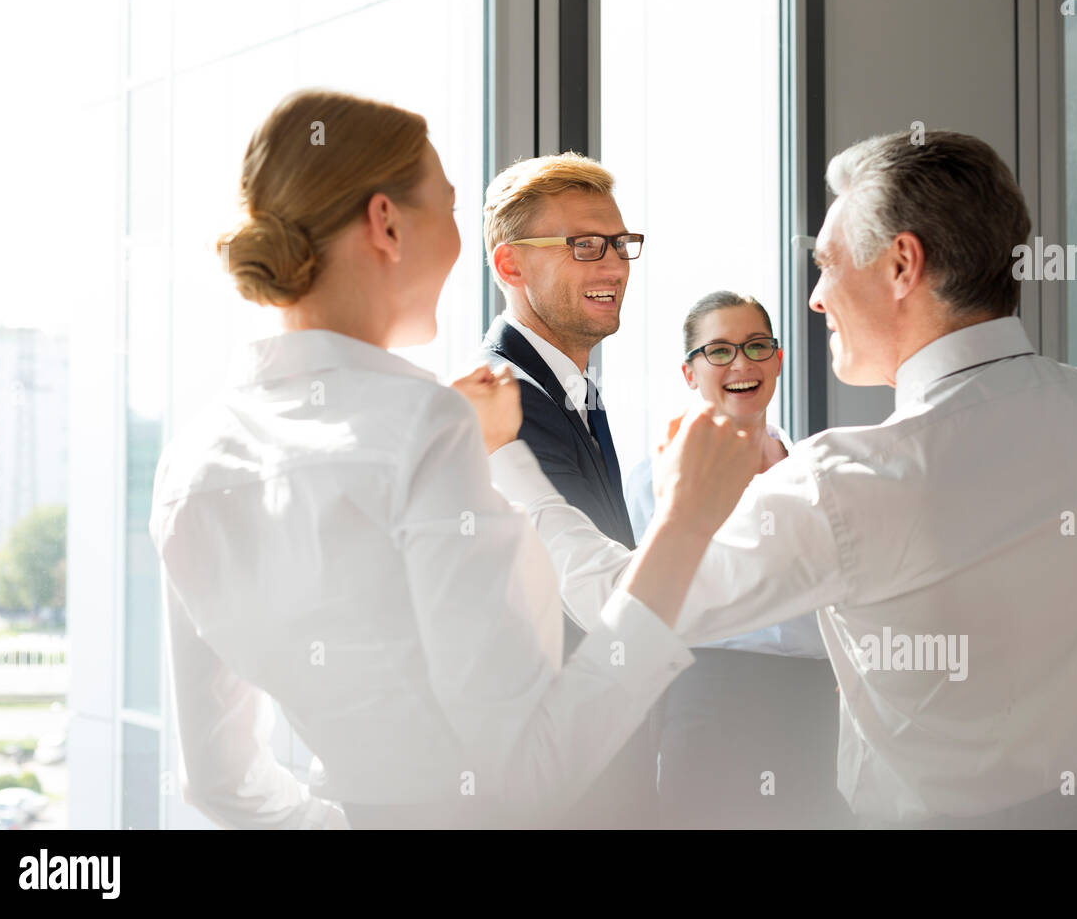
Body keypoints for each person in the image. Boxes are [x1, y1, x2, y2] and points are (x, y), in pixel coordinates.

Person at [486, 129, 1077, 828]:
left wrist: (504, 462)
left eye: (828, 264)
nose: (818, 298)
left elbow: (624, 608)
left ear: (901, 266)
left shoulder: (850, 481)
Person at [147, 89, 758, 829]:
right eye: (448, 205)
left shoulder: (189, 461)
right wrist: (689, 520)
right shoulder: (429, 428)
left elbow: (221, 785)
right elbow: (533, 771)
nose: (460, 239)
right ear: (386, 223)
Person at [475, 154, 656, 827]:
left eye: (620, 245)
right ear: (510, 265)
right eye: (584, 246)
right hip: (563, 782)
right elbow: (594, 599)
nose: (614, 267)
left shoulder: (572, 391)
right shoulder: (503, 397)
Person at [623, 290, 847, 828]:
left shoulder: (821, 474)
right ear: (689, 371)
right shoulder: (657, 479)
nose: (741, 364)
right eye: (718, 351)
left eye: (756, 346)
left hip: (810, 704)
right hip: (708, 699)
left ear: (778, 359)